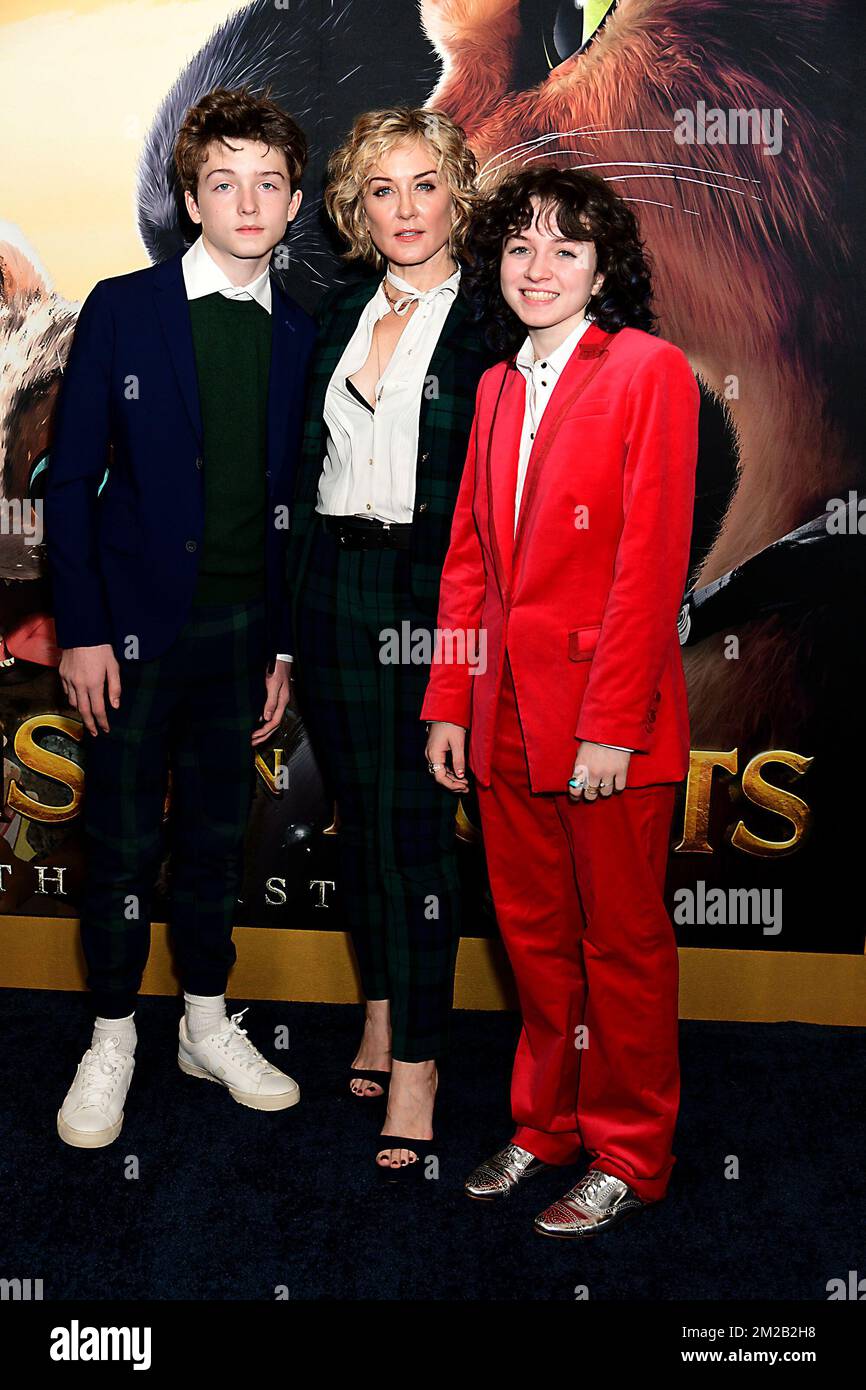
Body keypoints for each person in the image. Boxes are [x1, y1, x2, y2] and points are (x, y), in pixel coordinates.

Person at [422, 166, 700, 1234]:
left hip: (604, 727)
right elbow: (466, 562)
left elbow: (647, 565)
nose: (538, 268)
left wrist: (608, 729)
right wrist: (450, 698)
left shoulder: (647, 370)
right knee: (532, 939)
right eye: (519, 246)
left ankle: (628, 1149)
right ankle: (543, 1125)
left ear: (602, 268)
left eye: (566, 249)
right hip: (500, 718)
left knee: (619, 946)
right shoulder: (494, 386)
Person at [45, 86, 315, 1148]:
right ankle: (112, 1034)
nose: (246, 202)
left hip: (243, 637)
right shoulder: (123, 305)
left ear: (293, 203)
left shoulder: (298, 331)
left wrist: (283, 640)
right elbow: (69, 483)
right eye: (222, 183)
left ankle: (205, 1020)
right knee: (117, 847)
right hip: (127, 637)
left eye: (267, 184)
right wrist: (78, 630)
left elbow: (296, 489)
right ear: (190, 197)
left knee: (213, 843)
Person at [286, 107, 498, 1176]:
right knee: (358, 824)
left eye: (424, 185)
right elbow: (300, 476)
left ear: (457, 193)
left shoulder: (495, 320)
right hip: (332, 584)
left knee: (414, 834)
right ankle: (376, 1010)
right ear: (354, 209)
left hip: (432, 593)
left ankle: (416, 1065)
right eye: (381, 190)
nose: (405, 209)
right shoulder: (332, 314)